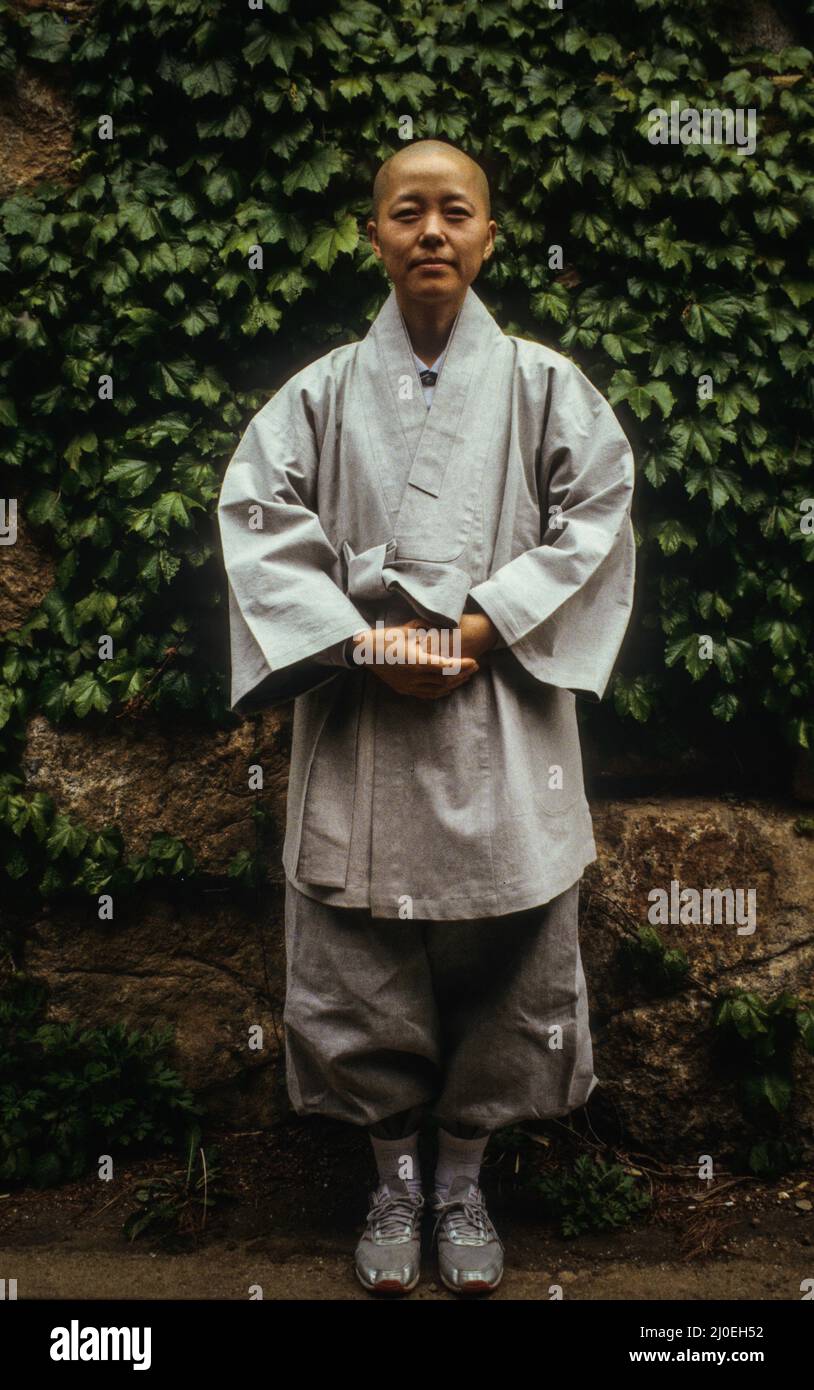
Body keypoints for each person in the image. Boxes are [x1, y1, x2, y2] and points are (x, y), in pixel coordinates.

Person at [217, 139, 636, 1296]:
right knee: (357, 952)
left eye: (457, 212)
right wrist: (365, 640)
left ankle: (464, 1173)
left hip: (497, 706)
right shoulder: (318, 393)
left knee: (513, 933)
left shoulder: (547, 384)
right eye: (409, 212)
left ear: (490, 236)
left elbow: (596, 515)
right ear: (376, 236)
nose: (433, 232)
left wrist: (484, 624)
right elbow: (256, 515)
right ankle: (391, 1176)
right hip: (364, 707)